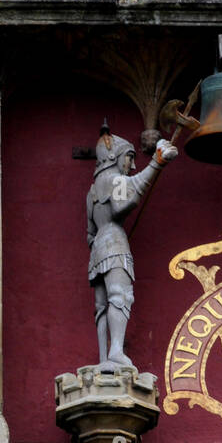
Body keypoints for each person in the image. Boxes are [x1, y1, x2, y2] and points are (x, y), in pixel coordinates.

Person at [87, 122, 178, 368]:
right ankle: (116, 350)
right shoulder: (113, 179)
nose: (132, 164)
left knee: (102, 306)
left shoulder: (93, 190)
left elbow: (89, 233)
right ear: (115, 157)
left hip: (97, 248)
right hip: (115, 242)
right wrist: (157, 162)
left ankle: (105, 359)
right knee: (121, 296)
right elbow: (122, 201)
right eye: (129, 157)